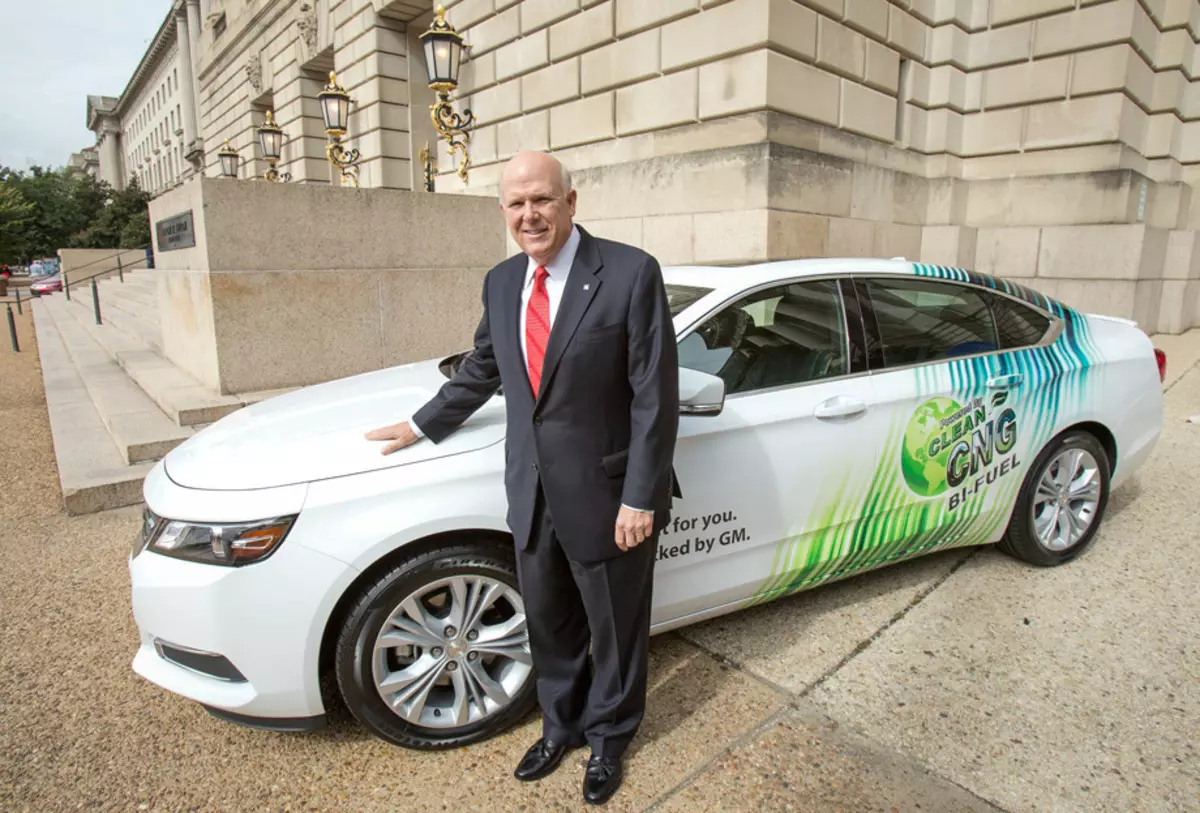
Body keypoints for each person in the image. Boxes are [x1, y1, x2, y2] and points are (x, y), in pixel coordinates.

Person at [366, 151, 679, 805]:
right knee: (550, 623)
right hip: (532, 493)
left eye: (541, 199)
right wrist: (422, 424)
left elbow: (654, 394)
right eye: (516, 203)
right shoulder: (503, 281)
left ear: (571, 200)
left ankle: (609, 739)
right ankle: (559, 726)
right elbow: (484, 366)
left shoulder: (628, 272)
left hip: (607, 495)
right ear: (503, 210)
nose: (529, 214)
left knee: (615, 631)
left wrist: (640, 495)